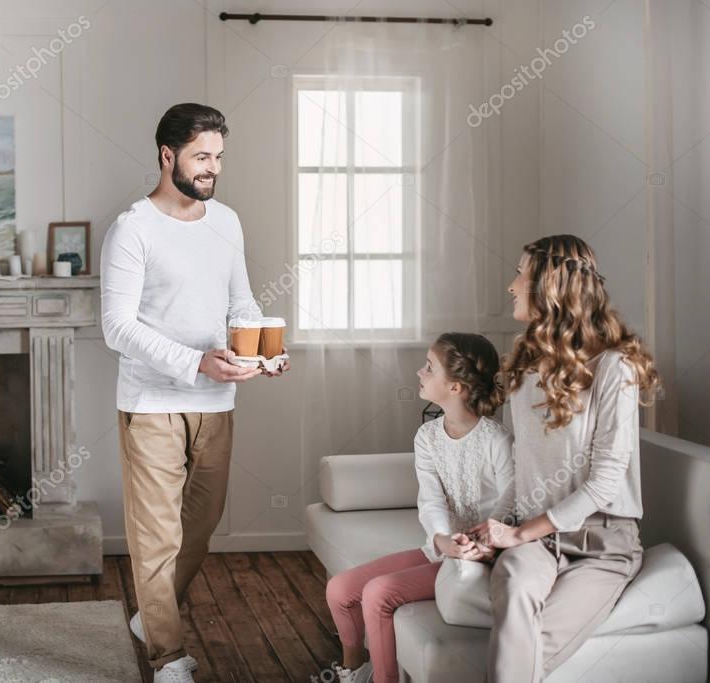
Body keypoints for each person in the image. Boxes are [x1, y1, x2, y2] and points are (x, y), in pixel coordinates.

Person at [100, 102, 290, 683]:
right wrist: (195, 364)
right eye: (202, 156)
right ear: (167, 155)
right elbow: (118, 327)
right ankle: (167, 656)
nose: (212, 168)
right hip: (152, 403)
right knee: (156, 537)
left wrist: (261, 350)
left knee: (200, 526)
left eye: (218, 158)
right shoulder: (132, 227)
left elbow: (241, 302)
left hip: (217, 401)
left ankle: (151, 618)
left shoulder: (226, 222)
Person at [469, 234, 660, 682]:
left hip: (601, 546)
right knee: (515, 588)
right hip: (536, 538)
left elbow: (605, 480)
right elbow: (522, 464)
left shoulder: (615, 367)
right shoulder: (525, 368)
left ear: (551, 285)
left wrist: (518, 535)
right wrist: (497, 530)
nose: (512, 285)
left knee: (527, 647)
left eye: (521, 273)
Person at [325, 333, 514, 683]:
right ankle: (355, 671)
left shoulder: (496, 439)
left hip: (479, 560)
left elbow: (511, 500)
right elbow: (430, 499)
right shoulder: (427, 436)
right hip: (442, 548)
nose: (419, 372)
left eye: (429, 367)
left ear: (456, 386)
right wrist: (441, 539)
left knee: (379, 593)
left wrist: (482, 542)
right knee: (339, 590)